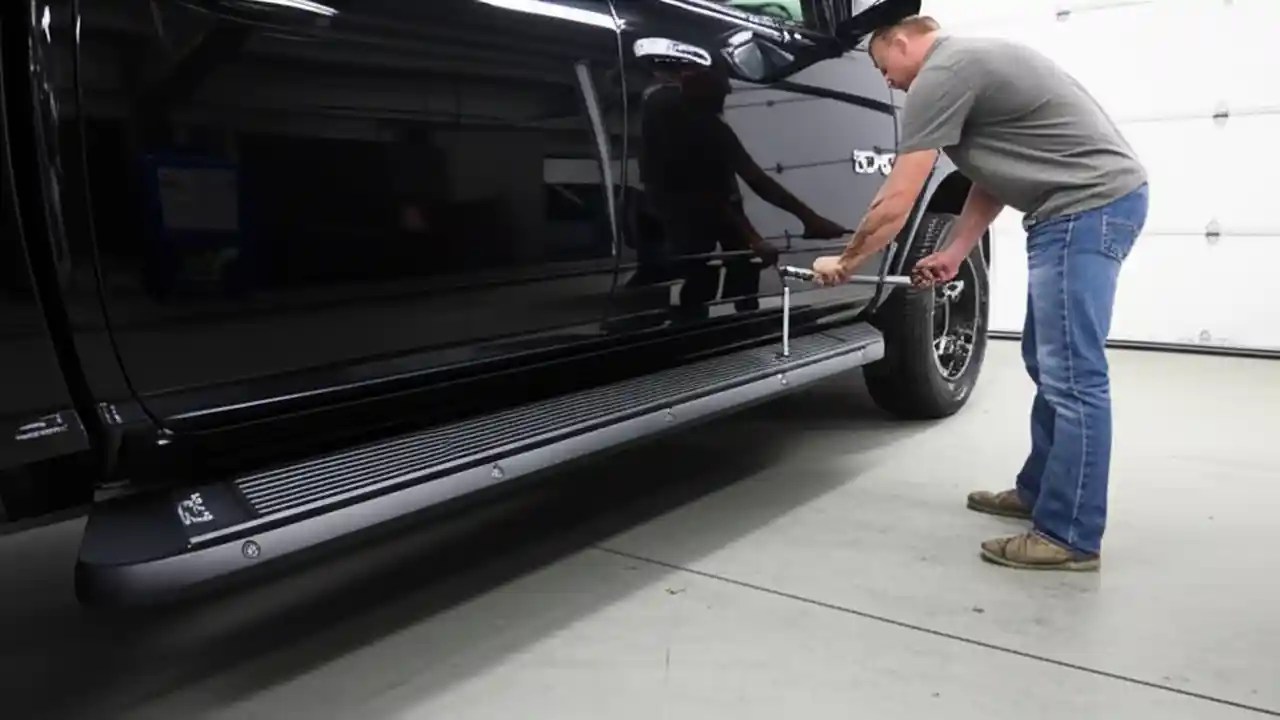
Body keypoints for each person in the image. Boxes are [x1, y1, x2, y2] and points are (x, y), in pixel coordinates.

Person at [812, 15, 1148, 571]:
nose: (887, 82)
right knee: (1048, 362)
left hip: (1084, 210)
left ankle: (1069, 536)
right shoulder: (969, 67)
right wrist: (955, 249)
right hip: (1088, 207)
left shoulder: (942, 73)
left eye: (882, 66)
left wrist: (847, 261)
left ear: (902, 41)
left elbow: (900, 194)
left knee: (1072, 374)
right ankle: (1042, 494)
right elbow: (993, 175)